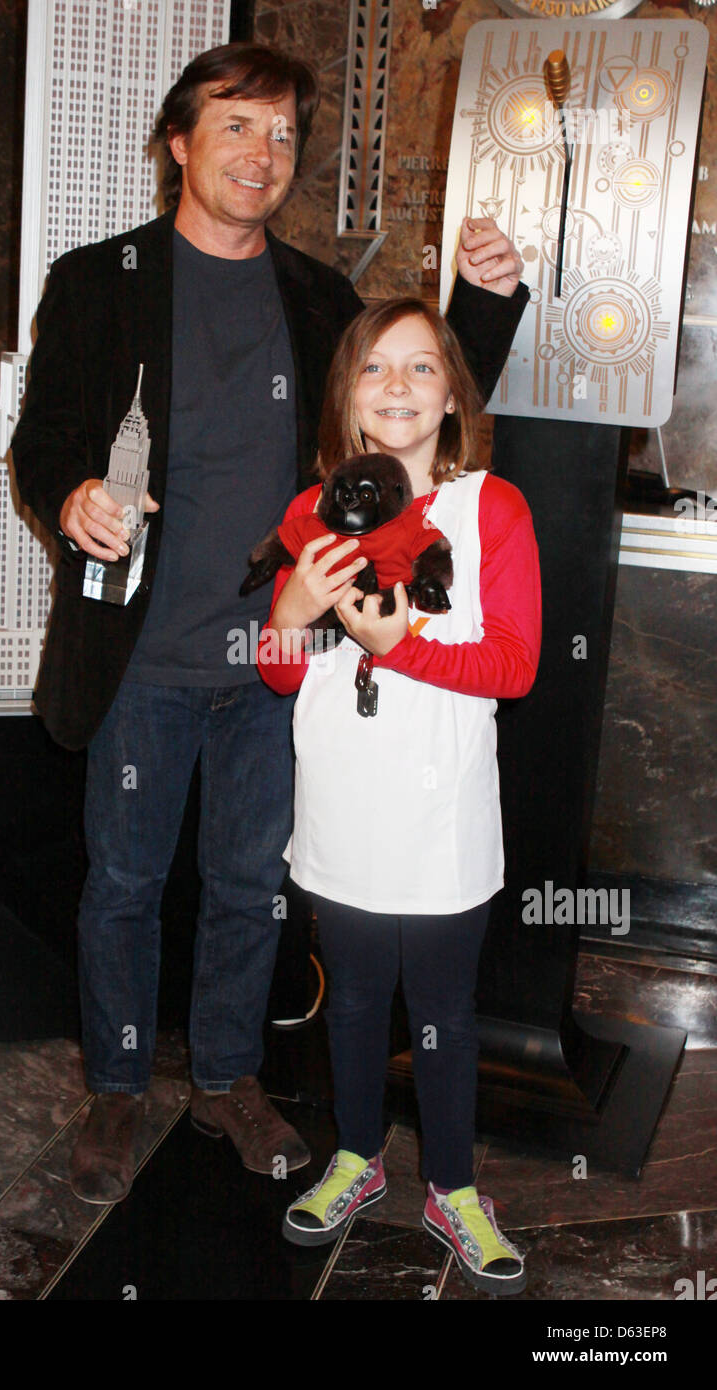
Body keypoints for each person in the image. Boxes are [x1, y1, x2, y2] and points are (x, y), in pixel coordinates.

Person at [10, 41, 529, 1206]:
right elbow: (42, 443)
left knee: (249, 887)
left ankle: (228, 1079)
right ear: (180, 142)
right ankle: (117, 1085)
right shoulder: (99, 281)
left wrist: (485, 301)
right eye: (236, 125)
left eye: (284, 132)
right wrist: (72, 495)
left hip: (280, 658)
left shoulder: (315, 296)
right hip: (140, 654)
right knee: (123, 883)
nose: (263, 152)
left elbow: (410, 403)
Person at [257, 298, 541, 1295]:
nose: (398, 386)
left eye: (422, 367)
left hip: (441, 812)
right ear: (347, 394)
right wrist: (293, 610)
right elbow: (281, 673)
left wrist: (401, 645)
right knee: (352, 1000)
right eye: (375, 367)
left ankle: (453, 1188)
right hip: (341, 801)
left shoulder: (490, 508)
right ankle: (357, 1157)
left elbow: (514, 665)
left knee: (444, 1015)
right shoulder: (317, 508)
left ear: (454, 393)